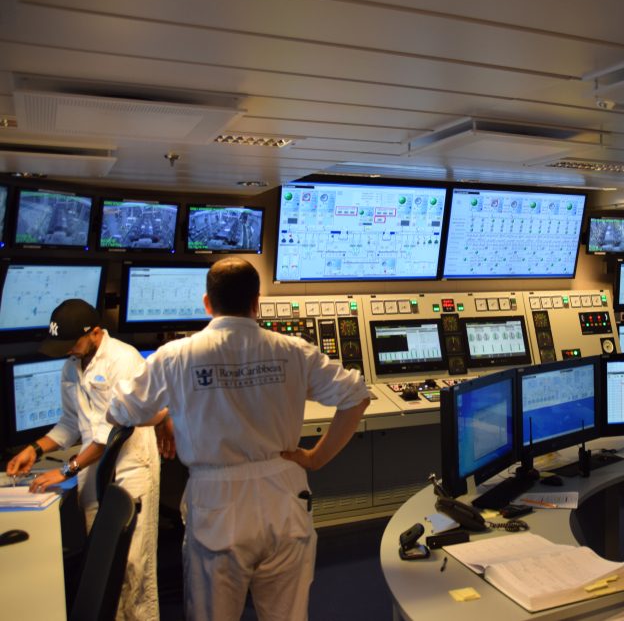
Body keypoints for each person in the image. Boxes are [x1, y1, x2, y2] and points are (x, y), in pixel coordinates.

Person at [107, 257, 370, 621]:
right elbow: (357, 396)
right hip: (285, 495)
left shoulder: (175, 357)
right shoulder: (294, 350)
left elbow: (121, 411)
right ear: (256, 302)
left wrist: (168, 410)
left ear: (207, 303)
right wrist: (316, 458)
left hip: (217, 505)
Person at [5, 299, 163, 621]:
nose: (68, 351)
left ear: (94, 333)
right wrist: (34, 450)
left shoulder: (123, 360)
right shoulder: (71, 366)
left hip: (131, 470)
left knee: (134, 570)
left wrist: (65, 470)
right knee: (103, 571)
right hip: (95, 472)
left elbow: (110, 433)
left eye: (72, 343)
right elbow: (69, 423)